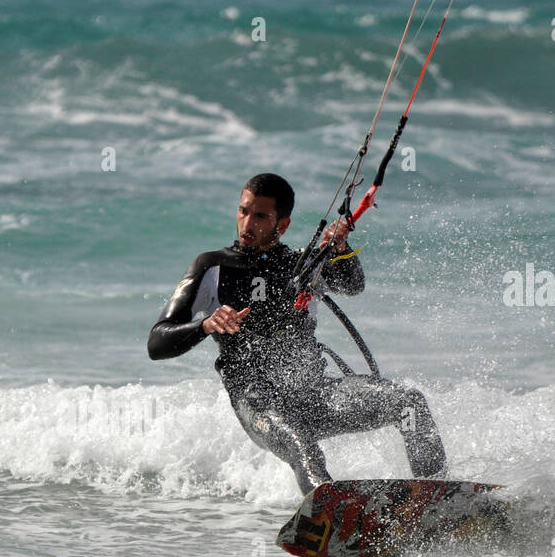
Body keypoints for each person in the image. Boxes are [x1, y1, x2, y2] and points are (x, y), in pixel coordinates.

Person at [147, 172, 447, 495]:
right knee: (302, 446)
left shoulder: (303, 265)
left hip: (314, 395)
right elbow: (158, 341)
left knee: (409, 403)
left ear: (283, 224)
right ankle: (329, 514)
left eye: (260, 216)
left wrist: (340, 247)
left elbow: (353, 284)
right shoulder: (212, 267)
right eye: (243, 211)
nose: (247, 223)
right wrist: (205, 325)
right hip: (258, 403)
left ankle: (439, 500)